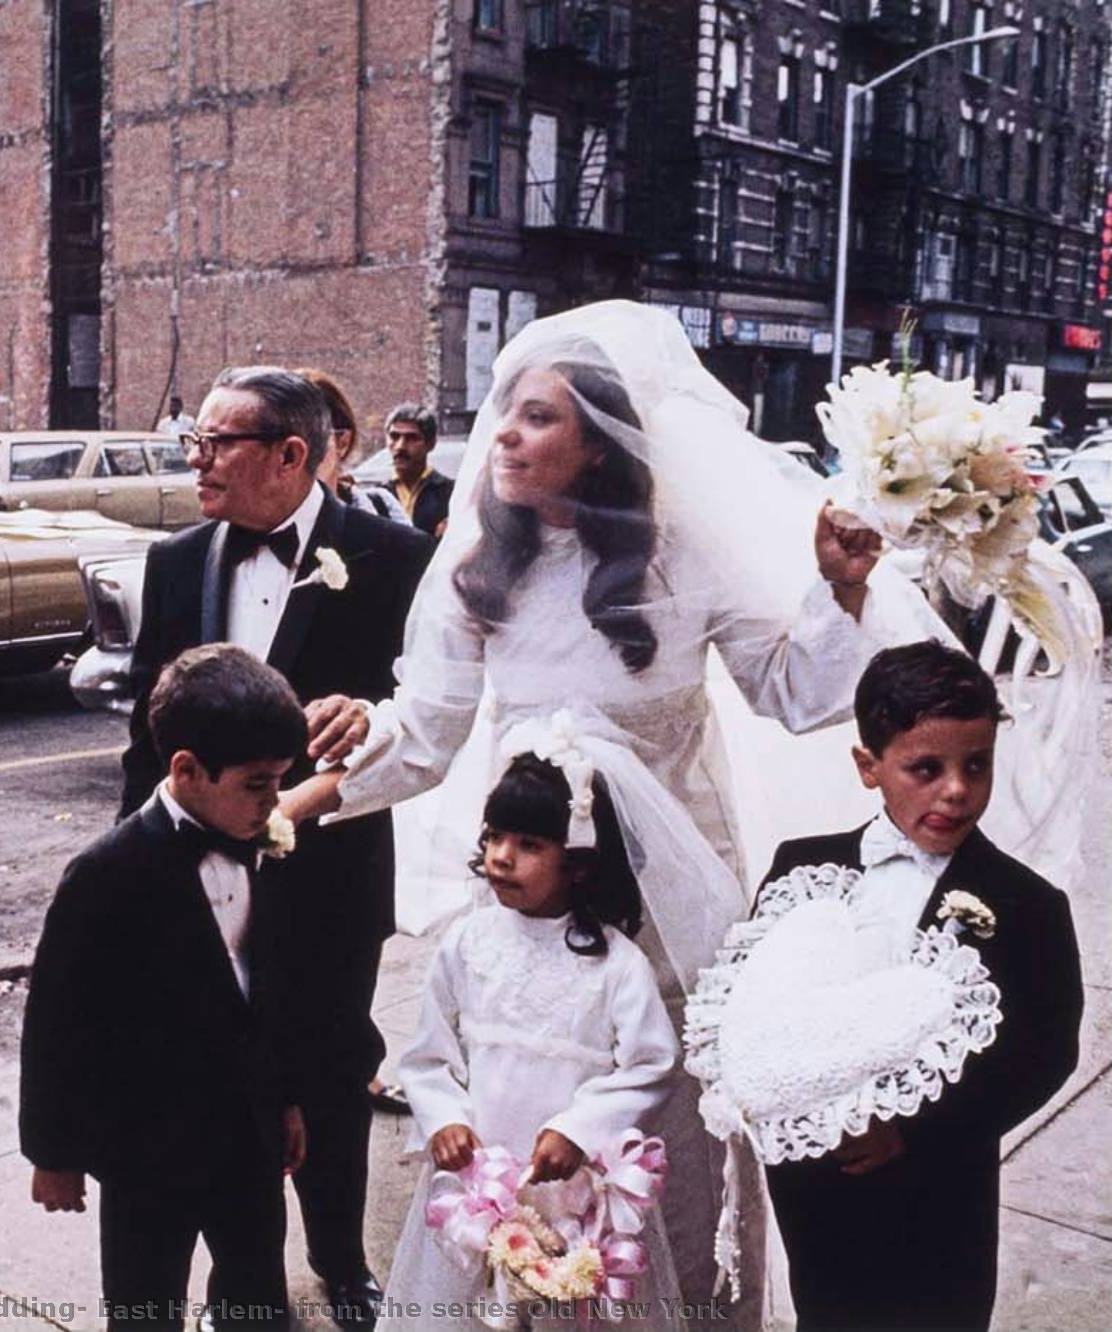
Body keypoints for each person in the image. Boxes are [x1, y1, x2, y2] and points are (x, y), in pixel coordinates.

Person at [287, 301, 894, 1320]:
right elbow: (426, 731)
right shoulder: (479, 568)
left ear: (601, 445)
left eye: (536, 419)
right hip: (529, 905)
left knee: (668, 1139)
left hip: (667, 910)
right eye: (504, 415)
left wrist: (836, 596)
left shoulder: (681, 560)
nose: (504, 437)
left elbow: (791, 692)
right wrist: (301, 798)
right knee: (529, 1141)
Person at [118, 366, 435, 1330]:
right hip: (200, 883)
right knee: (223, 1080)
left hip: (331, 878)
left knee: (331, 1078)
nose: (197, 461)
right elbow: (146, 732)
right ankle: (244, 1277)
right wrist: (141, 865)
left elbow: (425, 716)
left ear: (291, 455)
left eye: (218, 443)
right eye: (195, 442)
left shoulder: (393, 557)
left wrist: (370, 716)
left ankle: (342, 1263)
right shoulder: (177, 563)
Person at [759, 642, 1082, 1331]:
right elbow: (763, 1004)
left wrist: (911, 1130)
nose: (957, 790)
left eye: (977, 765)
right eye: (926, 769)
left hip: (941, 1189)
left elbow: (1045, 1053)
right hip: (818, 1185)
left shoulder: (1027, 905)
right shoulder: (802, 867)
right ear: (868, 767)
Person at [24, 644, 308, 1331]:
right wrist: (54, 1155)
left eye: (281, 782)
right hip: (146, 1150)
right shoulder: (105, 876)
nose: (276, 801)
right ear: (185, 769)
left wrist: (289, 1099)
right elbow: (57, 1024)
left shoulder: (259, 842)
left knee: (256, 1296)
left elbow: (269, 993)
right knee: (144, 1304)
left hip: (247, 1134)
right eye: (259, 783)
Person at [384, 742, 680, 1331]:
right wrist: (443, 1117)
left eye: (529, 845)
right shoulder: (467, 945)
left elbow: (650, 1066)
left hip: (569, 1192)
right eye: (494, 837)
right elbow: (427, 1056)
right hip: (478, 1182)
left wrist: (579, 1129)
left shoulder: (617, 965)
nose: (501, 857)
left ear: (578, 862)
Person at [298, 367, 406, 525]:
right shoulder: (256, 526)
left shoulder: (383, 512)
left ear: (342, 442)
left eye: (312, 437)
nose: (297, 453)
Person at [384, 403, 452, 536]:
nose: (400, 446)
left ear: (431, 444)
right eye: (394, 436)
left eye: (412, 438)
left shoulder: (451, 494)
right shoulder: (377, 495)